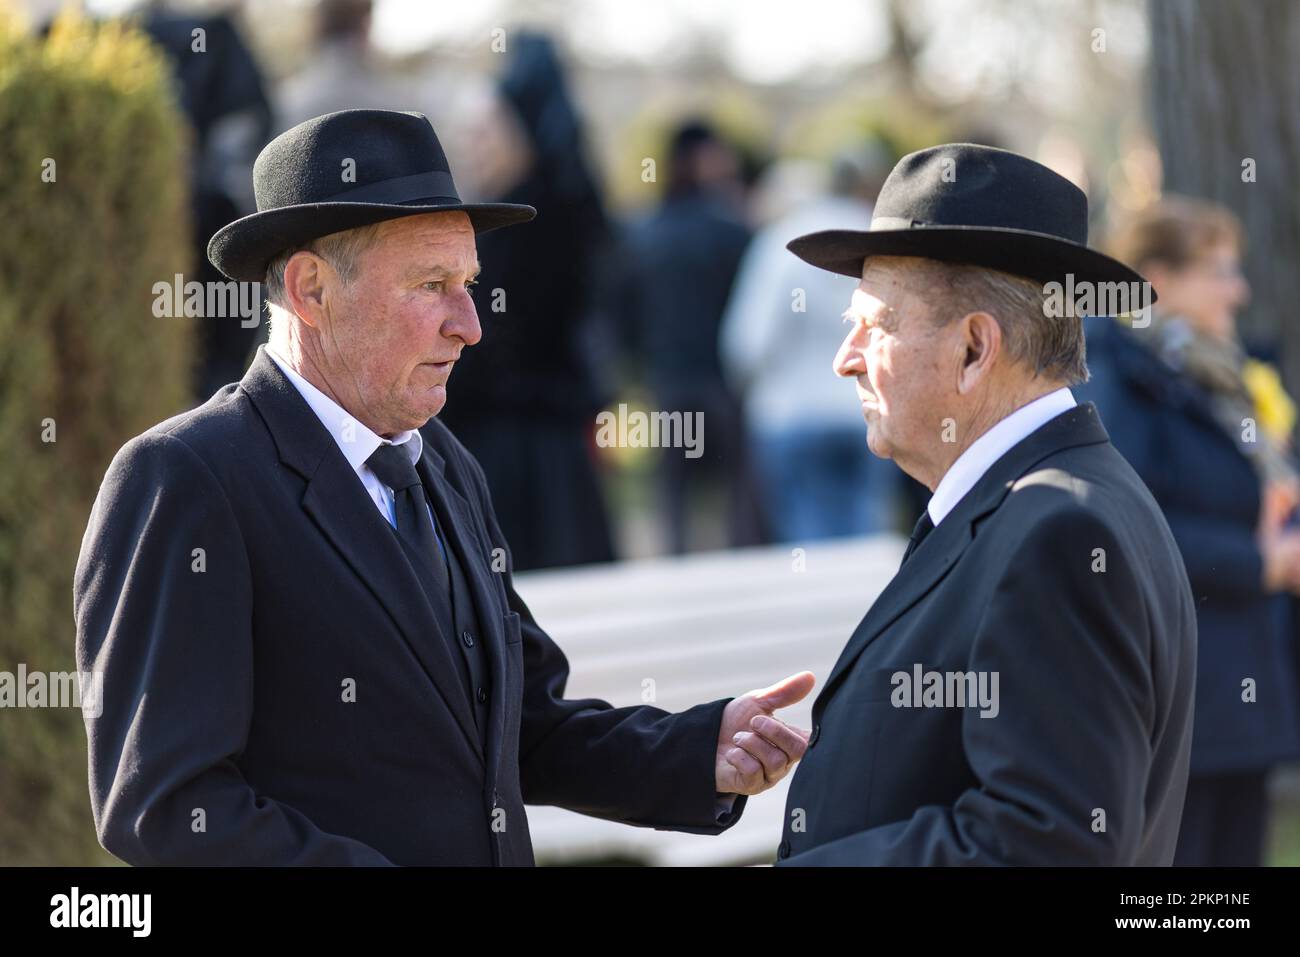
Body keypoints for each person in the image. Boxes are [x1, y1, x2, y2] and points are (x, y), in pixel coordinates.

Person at [74, 109, 812, 866]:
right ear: (310, 290)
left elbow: (521, 728)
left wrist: (695, 751)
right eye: (432, 285)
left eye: (468, 284)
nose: (470, 324)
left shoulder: (444, 462)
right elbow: (166, 804)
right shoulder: (186, 476)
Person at [772, 143, 1196, 865]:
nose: (846, 357)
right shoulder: (1044, 501)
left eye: (874, 327)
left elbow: (1044, 846)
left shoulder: (1057, 531)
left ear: (974, 348)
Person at [1079, 196, 1300, 866]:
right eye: (1219, 271)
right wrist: (1259, 563)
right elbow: (1118, 526)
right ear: (1157, 278)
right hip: (1178, 688)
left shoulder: (1218, 376)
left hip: (1242, 674)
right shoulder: (1117, 377)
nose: (1238, 289)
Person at [436, 33, 616, 571]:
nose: (473, 146)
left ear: (524, 131)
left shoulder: (537, 226)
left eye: (486, 131)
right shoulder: (547, 212)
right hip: (529, 445)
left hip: (523, 456)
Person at [721, 142, 903, 541]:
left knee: (807, 541)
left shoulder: (781, 242)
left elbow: (748, 343)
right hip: (866, 411)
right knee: (867, 535)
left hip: (790, 414)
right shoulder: (882, 239)